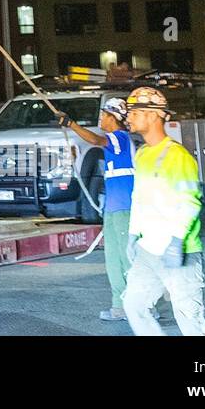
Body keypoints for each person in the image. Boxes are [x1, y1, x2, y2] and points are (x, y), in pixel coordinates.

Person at [121, 86, 205, 336]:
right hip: (148, 252)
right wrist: (133, 234)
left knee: (189, 318)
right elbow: (138, 198)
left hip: (180, 253)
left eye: (134, 112)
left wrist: (177, 240)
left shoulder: (177, 156)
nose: (128, 117)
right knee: (135, 306)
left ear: (152, 115)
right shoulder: (142, 154)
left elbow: (191, 202)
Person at [59, 96, 134, 321]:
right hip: (113, 210)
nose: (100, 118)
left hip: (125, 209)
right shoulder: (114, 141)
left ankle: (143, 306)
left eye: (103, 114)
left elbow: (96, 140)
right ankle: (119, 306)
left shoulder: (120, 138)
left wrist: (70, 124)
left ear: (113, 117)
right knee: (113, 259)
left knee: (127, 258)